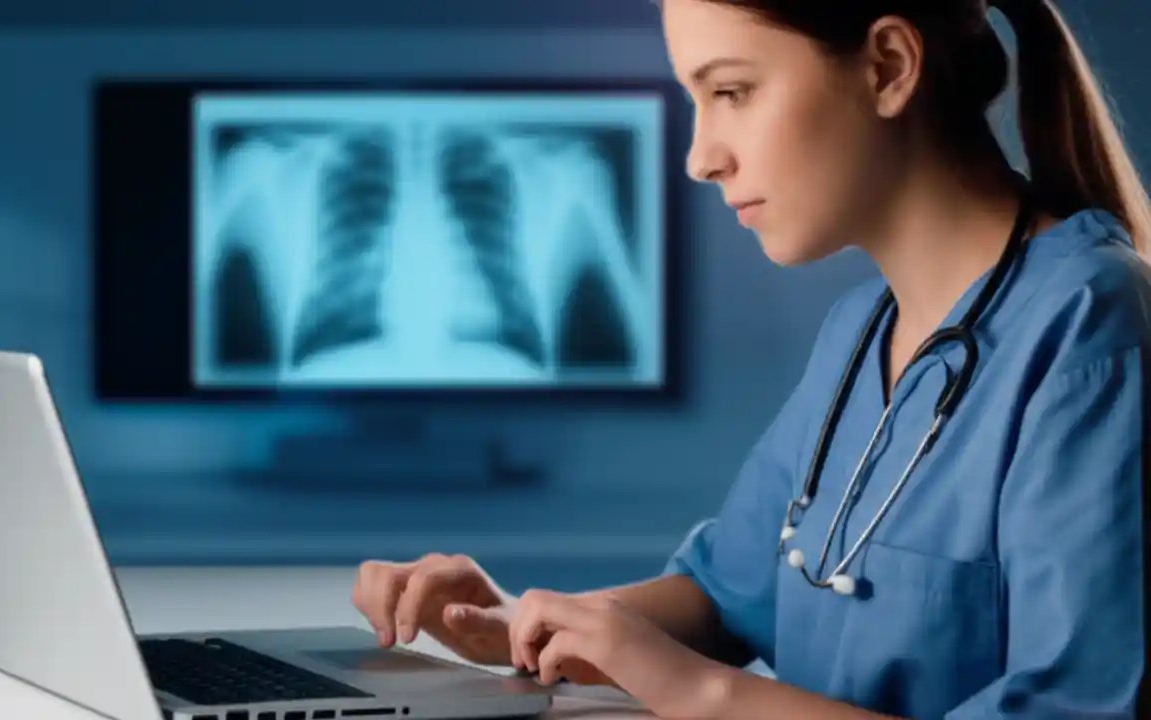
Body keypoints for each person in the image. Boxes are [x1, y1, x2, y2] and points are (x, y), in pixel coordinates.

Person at [351, 0, 1151, 716]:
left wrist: (705, 693)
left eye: (730, 92)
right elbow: (728, 594)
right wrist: (516, 624)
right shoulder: (862, 330)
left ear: (888, 67)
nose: (701, 157)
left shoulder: (1092, 330)